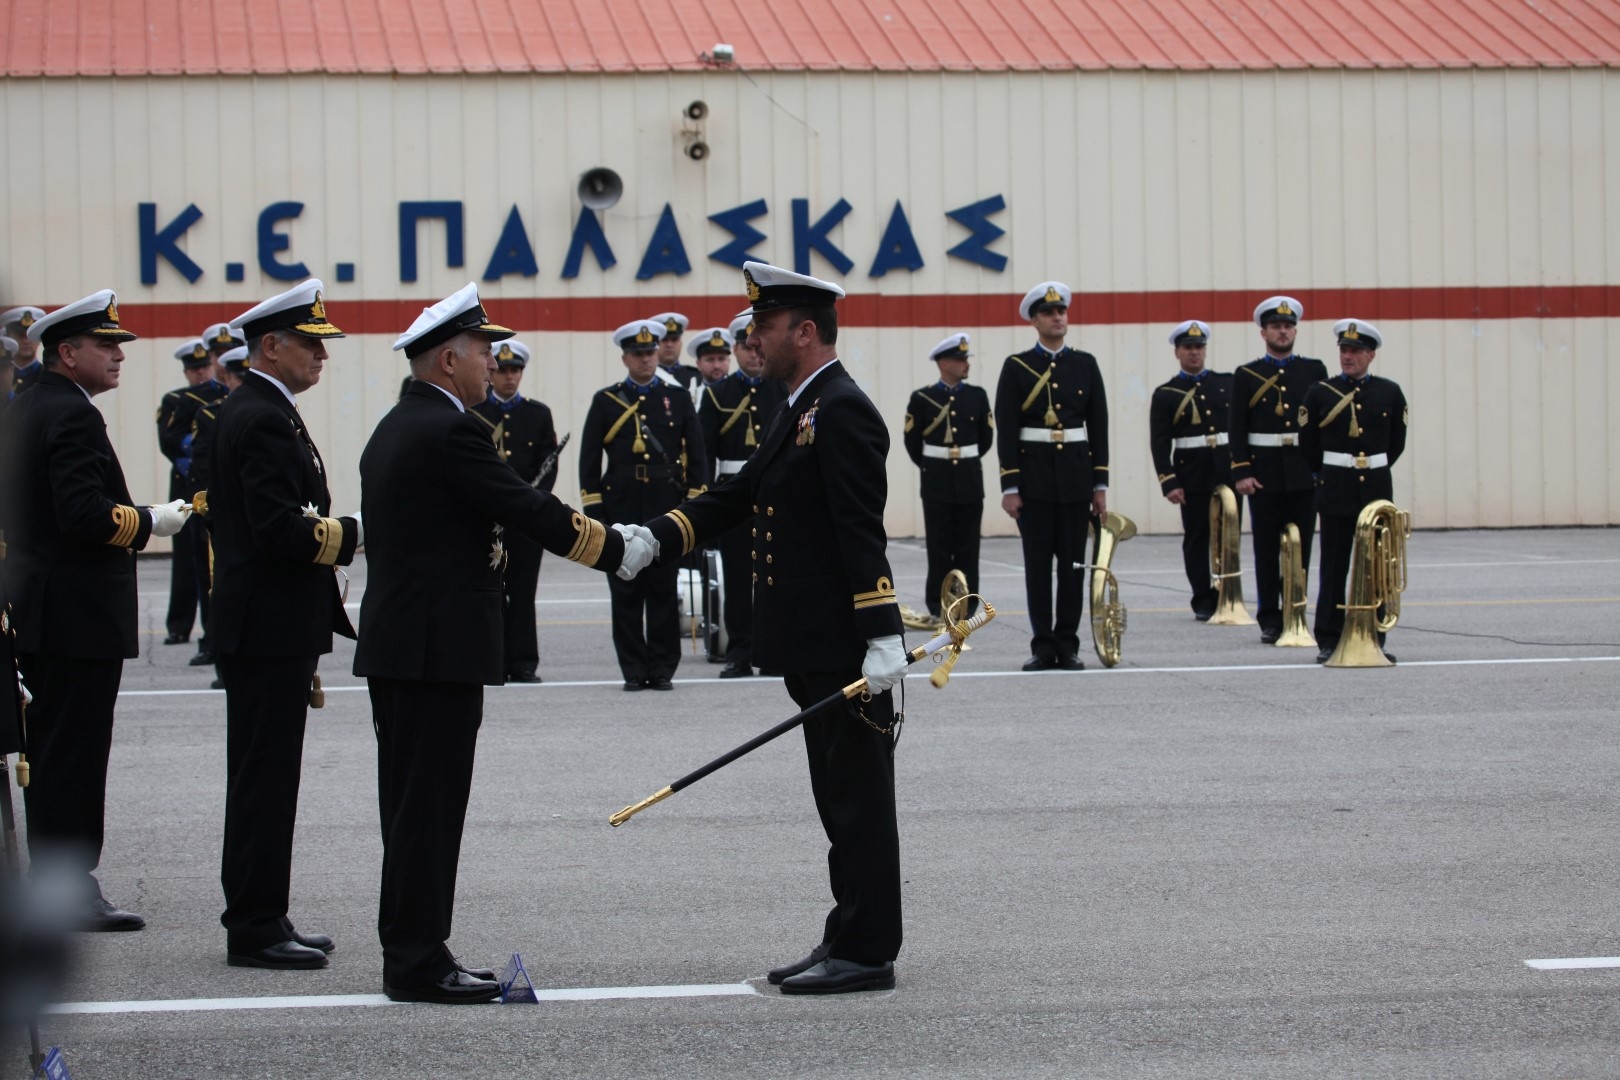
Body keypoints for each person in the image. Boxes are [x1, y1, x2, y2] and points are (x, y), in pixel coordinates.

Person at [354, 282, 649, 1004]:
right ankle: (418, 961)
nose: (494, 363)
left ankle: (412, 945)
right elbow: (521, 504)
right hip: (436, 649)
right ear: (449, 359)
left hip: (405, 646)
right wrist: (615, 550)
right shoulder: (451, 430)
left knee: (410, 805)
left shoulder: (398, 423)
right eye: (484, 351)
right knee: (429, 807)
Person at [638, 261, 908, 995]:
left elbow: (860, 531)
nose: (753, 339)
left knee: (857, 798)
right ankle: (847, 931)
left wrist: (884, 635)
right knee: (837, 797)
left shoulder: (841, 409)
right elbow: (739, 492)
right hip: (812, 645)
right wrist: (660, 535)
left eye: (765, 327)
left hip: (844, 646)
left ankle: (870, 949)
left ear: (806, 331)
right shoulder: (800, 406)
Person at [0, 289, 190, 930]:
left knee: (55, 751)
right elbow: (81, 513)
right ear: (66, 352)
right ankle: (67, 887)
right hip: (75, 612)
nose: (118, 357)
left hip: (45, 606)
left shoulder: (30, 405)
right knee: (74, 753)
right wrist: (147, 522)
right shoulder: (71, 414)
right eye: (105, 346)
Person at [208, 278, 360, 970]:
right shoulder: (262, 415)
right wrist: (354, 535)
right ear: (270, 346)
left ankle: (264, 910)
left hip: (269, 623)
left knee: (266, 777)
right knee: (265, 780)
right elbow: (277, 527)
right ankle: (255, 925)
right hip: (268, 625)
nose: (321, 357)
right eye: (310, 345)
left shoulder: (265, 408)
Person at [580, 318, 706, 691]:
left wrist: (694, 505)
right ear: (625, 358)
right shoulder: (606, 400)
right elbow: (589, 460)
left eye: (650, 353)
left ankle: (663, 667)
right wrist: (595, 512)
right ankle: (634, 669)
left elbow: (697, 457)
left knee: (664, 589)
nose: (646, 360)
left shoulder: (678, 398)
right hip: (620, 503)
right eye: (638, 354)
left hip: (665, 506)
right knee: (626, 588)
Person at [994, 281, 1110, 671]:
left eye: (1061, 311)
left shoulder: (1085, 364)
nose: (1057, 317)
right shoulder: (1017, 366)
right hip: (1035, 482)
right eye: (1048, 313)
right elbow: (1007, 431)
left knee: (1073, 568)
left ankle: (1068, 645)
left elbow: (1099, 426)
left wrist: (1100, 485)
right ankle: (1043, 646)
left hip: (1077, 482)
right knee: (1039, 569)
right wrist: (1010, 486)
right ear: (1034, 320)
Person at [1301, 319, 1407, 663]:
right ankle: (1330, 638)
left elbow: (1395, 445)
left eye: (1356, 351)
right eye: (1344, 350)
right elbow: (1309, 446)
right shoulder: (1320, 392)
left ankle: (1376, 636)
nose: (1348, 356)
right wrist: (1327, 475)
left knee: (1376, 567)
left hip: (1375, 488)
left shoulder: (1390, 392)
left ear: (1371, 355)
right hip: (1336, 487)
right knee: (1334, 565)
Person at [1228, 296, 1328, 643]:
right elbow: (1237, 426)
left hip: (1304, 473)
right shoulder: (1247, 374)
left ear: (1295, 330)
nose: (1282, 331)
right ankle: (1270, 618)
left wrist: (1320, 469)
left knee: (1302, 549)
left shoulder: (1314, 370)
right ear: (1263, 332)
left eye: (1287, 326)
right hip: (1264, 474)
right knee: (1267, 550)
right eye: (1275, 326)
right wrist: (1241, 471)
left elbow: (1320, 424)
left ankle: (1296, 610)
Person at [698, 316, 787, 677]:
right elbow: (704, 451)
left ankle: (771, 650)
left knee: (774, 576)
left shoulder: (782, 389)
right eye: (745, 347)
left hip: (775, 493)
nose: (753, 354)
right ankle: (739, 650)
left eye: (757, 346)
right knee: (737, 577)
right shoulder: (718, 394)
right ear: (736, 351)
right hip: (732, 492)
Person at [472, 338, 560, 683]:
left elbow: (548, 466)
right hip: (488, 520)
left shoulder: (537, 413)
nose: (509, 377)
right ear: (492, 371)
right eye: (503, 370)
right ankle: (491, 659)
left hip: (524, 520)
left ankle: (523, 662)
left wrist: (534, 501)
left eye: (515, 370)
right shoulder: (475, 412)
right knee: (489, 592)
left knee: (522, 593)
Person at [1148, 320, 1234, 620]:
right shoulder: (1167, 393)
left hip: (1226, 471)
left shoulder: (1227, 383)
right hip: (1192, 473)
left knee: (1228, 536)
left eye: (1199, 347)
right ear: (1177, 352)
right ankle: (1203, 597)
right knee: (1198, 538)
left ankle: (1228, 592)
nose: (1194, 353)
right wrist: (1168, 481)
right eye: (1188, 348)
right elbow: (1159, 442)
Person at [903, 333, 993, 620]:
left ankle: (967, 605)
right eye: (959, 359)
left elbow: (986, 438)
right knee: (939, 548)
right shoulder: (922, 398)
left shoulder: (977, 396)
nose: (966, 364)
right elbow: (913, 442)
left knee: (968, 548)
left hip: (968, 480)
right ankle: (938, 604)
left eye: (966, 359)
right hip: (937, 482)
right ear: (943, 363)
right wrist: (935, 466)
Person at [156, 339, 225, 661]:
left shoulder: (226, 395)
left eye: (204, 366)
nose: (201, 373)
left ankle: (212, 626)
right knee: (186, 558)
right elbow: (170, 440)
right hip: (188, 483)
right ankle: (179, 624)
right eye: (194, 369)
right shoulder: (176, 400)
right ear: (186, 371)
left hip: (213, 481)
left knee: (211, 559)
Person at [649, 311, 701, 399]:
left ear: (680, 343)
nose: (669, 345)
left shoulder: (696, 376)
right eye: (664, 340)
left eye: (674, 340)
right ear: (655, 344)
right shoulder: (646, 378)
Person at [0, 307, 45, 396]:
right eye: (20, 335)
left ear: (39, 339)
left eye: (30, 335)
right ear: (8, 337)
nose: (26, 341)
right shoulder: (2, 376)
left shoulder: (49, 376)